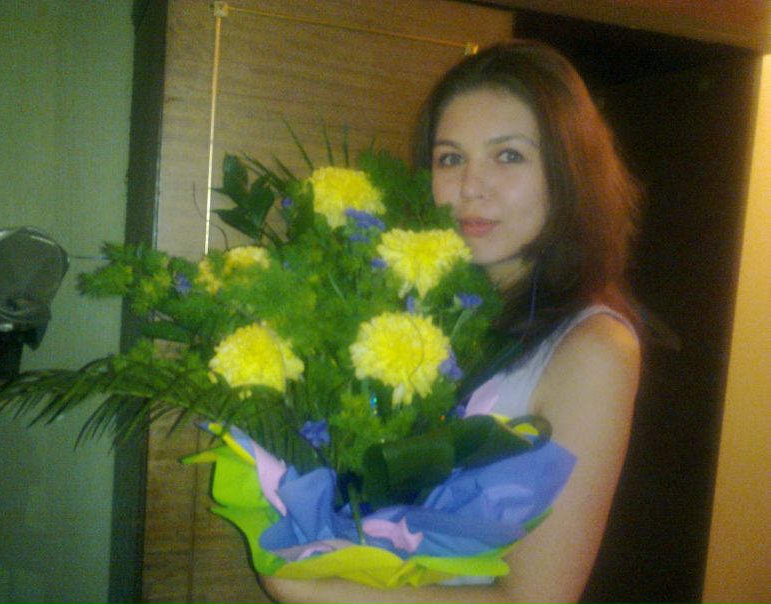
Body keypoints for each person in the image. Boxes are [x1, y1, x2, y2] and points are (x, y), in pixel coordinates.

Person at [261, 39, 642, 604]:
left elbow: (535, 598)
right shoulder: (424, 311)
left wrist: (314, 591)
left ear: (569, 171)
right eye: (450, 158)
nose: (470, 187)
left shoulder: (593, 348)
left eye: (508, 156)